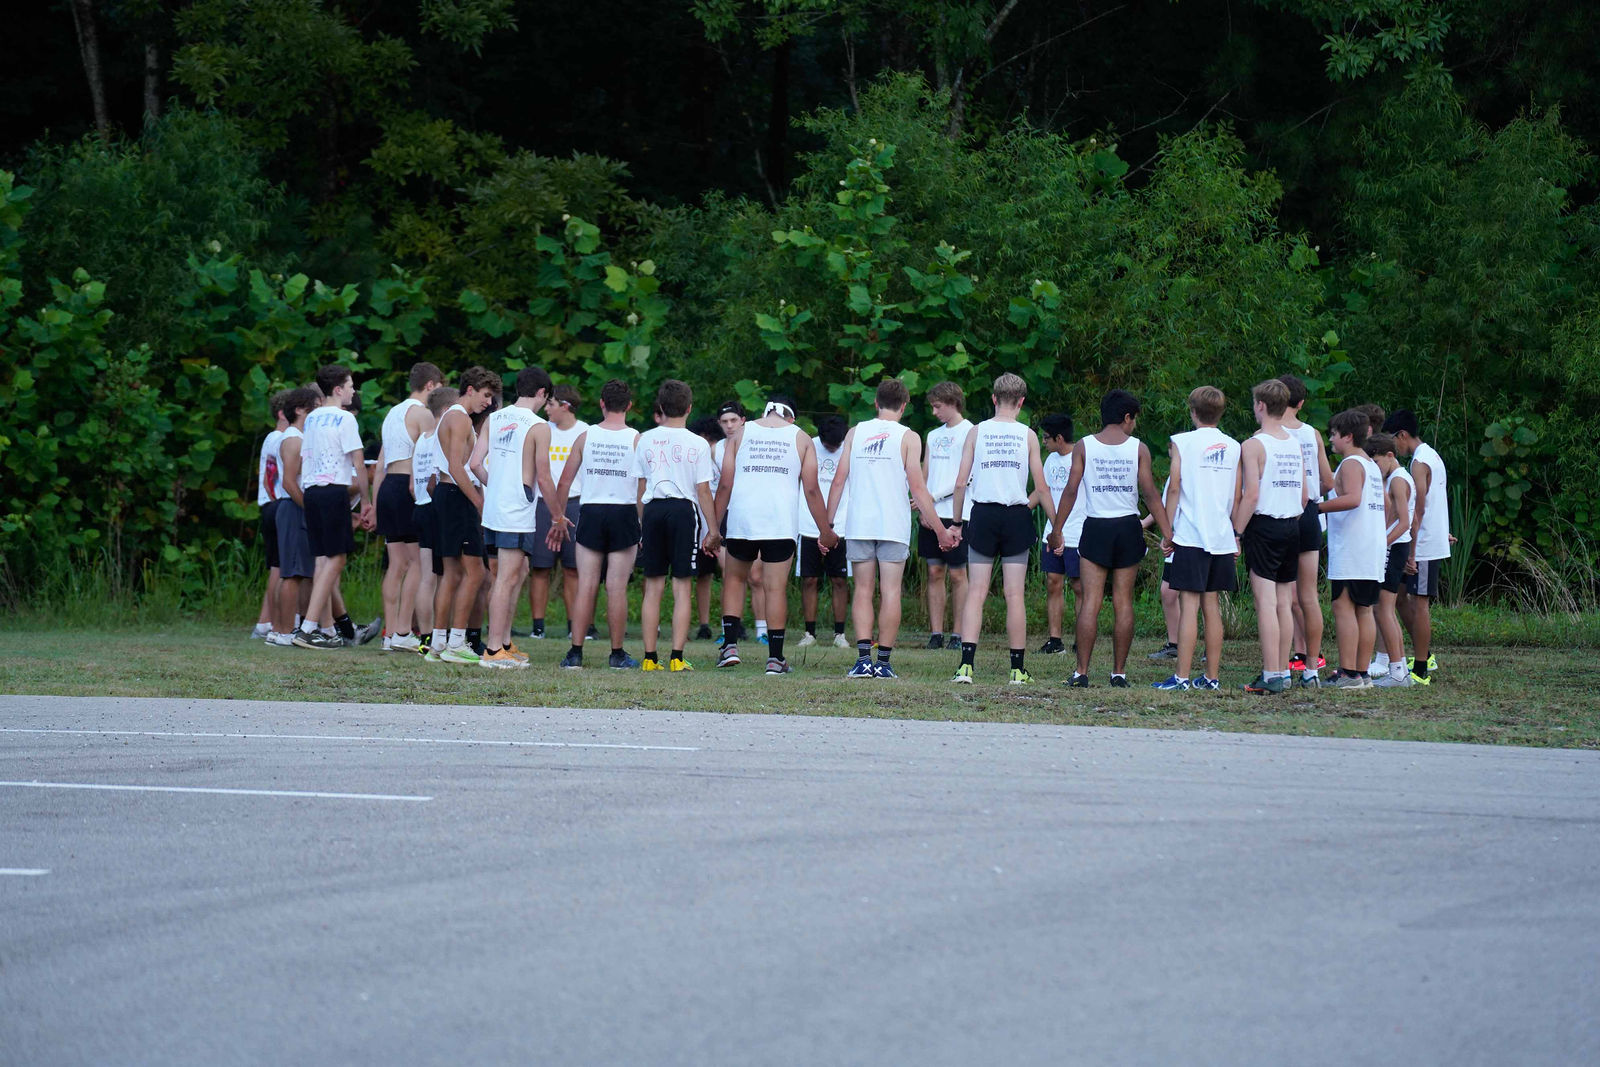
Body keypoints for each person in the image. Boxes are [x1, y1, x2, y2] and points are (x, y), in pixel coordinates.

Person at [827, 378, 956, 680]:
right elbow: (919, 488)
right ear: (904, 406)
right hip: (893, 525)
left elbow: (838, 480)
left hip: (859, 523)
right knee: (890, 592)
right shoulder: (909, 437)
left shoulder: (855, 433)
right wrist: (940, 530)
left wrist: (827, 526)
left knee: (861, 590)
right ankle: (883, 662)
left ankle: (862, 660)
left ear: (876, 403)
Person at [1048, 389, 1171, 687]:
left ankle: (1082, 672)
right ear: (1127, 417)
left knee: (1090, 601)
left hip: (1096, 527)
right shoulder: (1139, 448)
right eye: (1134, 420)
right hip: (1128, 527)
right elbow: (1150, 493)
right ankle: (1119, 673)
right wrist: (1169, 533)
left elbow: (1071, 490)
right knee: (1123, 601)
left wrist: (1057, 529)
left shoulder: (1085, 446)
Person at [713, 396, 838, 674]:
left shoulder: (741, 433)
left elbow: (724, 485)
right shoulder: (802, 438)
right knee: (774, 588)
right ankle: (775, 658)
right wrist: (825, 531)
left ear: (765, 412)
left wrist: (713, 528)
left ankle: (730, 647)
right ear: (791, 418)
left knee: (734, 579)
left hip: (742, 520)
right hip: (780, 523)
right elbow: (812, 490)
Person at [950, 373, 1053, 685]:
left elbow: (959, 483)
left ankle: (966, 667)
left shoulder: (976, 432)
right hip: (1015, 516)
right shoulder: (1028, 435)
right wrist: (1057, 526)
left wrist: (956, 523)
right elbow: (1043, 488)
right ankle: (1017, 670)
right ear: (1021, 402)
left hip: (982, 514)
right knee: (1014, 595)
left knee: (976, 593)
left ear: (994, 399)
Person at [546, 378, 642, 670]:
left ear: (602, 403)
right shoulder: (637, 439)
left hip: (590, 511)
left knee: (586, 584)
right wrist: (639, 522)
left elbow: (564, 481)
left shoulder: (585, 437)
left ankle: (575, 653)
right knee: (616, 587)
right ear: (629, 406)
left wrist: (558, 517)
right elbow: (641, 487)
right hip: (624, 512)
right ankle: (616, 654)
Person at [1153, 386, 1240, 691]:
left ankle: (1182, 677)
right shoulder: (1234, 446)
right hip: (1221, 534)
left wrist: (1167, 531)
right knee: (1212, 605)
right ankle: (1212, 677)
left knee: (1189, 606)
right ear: (1220, 412)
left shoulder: (1182, 442)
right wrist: (1235, 533)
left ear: (1192, 411)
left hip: (1191, 535)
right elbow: (1236, 494)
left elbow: (1174, 487)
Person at [632, 380, 720, 671]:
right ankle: (676, 658)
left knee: (653, 586)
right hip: (683, 511)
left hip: (654, 509)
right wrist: (713, 529)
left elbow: (641, 486)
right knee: (682, 586)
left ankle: (648, 658)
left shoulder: (645, 439)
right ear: (689, 408)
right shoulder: (697, 443)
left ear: (660, 408)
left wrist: (641, 524)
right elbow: (703, 491)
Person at [478, 367, 560, 669]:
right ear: (542, 393)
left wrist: (496, 485)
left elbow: (475, 463)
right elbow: (544, 476)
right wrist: (558, 515)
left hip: (495, 509)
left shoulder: (494, 418)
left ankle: (505, 642)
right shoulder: (538, 426)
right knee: (506, 578)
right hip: (516, 510)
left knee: (518, 571)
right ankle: (492, 650)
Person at [1232, 379, 1309, 694]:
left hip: (1264, 525)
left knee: (1265, 602)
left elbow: (1250, 496)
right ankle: (1283, 673)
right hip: (1293, 523)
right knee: (1282, 601)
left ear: (1260, 406)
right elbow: (1304, 495)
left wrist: (1236, 533)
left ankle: (1270, 674)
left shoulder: (1253, 444)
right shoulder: (1294, 441)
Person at [293, 365, 375, 650]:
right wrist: (365, 500)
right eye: (351, 385)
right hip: (333, 491)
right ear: (338, 389)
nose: (354, 390)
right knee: (336, 559)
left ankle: (327, 628)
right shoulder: (344, 418)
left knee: (322, 560)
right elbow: (357, 461)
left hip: (312, 491)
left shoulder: (312, 418)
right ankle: (307, 628)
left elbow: (307, 457)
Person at [425, 367, 502, 663]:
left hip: (448, 496)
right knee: (476, 573)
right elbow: (456, 467)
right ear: (470, 389)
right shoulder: (457, 417)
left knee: (452, 574)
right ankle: (457, 641)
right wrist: (480, 504)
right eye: (485, 395)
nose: (488, 402)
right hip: (457, 496)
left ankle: (438, 644)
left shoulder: (456, 418)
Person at [371, 362, 443, 651]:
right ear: (430, 385)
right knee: (415, 563)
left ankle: (390, 633)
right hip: (406, 487)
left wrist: (374, 503)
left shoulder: (392, 413)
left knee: (396, 564)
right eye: (438, 388)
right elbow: (431, 453)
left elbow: (378, 464)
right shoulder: (423, 413)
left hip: (388, 486)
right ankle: (402, 631)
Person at [1320, 409, 1387, 689]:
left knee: (1343, 605)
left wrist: (1316, 507)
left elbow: (1353, 499)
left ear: (1348, 436)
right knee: (1364, 608)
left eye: (1334, 435)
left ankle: (1348, 672)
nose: (1332, 440)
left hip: (1352, 547)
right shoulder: (1371, 465)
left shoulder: (1349, 464)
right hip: (1371, 546)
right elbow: (1382, 500)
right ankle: (1361, 673)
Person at [1384, 409, 1449, 685]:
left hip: (1421, 543)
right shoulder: (1430, 455)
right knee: (1397, 597)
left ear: (1402, 435)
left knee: (1419, 603)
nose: (1392, 449)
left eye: (1392, 441)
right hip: (1423, 538)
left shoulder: (1419, 463)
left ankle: (1421, 668)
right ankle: (1424, 653)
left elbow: (1419, 509)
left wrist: (1412, 552)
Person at [1279, 375, 1335, 681]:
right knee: (1309, 596)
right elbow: (1328, 481)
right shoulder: (1313, 433)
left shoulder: (1267, 433)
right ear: (1301, 403)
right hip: (1310, 512)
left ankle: (1280, 665)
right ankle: (1312, 666)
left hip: (1280, 512)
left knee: (1283, 596)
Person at [527, 383, 588, 641]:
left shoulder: (586, 432)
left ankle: (575, 625)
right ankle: (538, 626)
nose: (547, 409)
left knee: (572, 569)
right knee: (541, 567)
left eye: (550, 404)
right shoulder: (542, 430)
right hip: (543, 504)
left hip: (576, 504)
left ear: (565, 406)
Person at [921, 382, 972, 650]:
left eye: (937, 406)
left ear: (953, 403)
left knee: (957, 574)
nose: (934, 412)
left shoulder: (970, 432)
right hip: (931, 513)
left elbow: (968, 477)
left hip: (958, 513)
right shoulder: (932, 435)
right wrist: (924, 505)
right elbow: (925, 473)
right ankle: (936, 632)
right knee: (934, 571)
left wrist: (935, 497)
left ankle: (959, 632)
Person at [269, 387, 320, 646]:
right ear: (299, 409)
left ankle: (280, 629)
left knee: (293, 572)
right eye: (315, 405)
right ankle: (285, 630)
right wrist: (310, 510)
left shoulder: (298, 437)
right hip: (292, 507)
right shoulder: (293, 439)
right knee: (293, 573)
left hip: (292, 507)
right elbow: (289, 482)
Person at [1364, 432, 1415, 687]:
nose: (1373, 468)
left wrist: (1379, 544)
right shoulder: (1395, 477)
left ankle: (1398, 672)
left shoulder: (1397, 480)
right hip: (1395, 546)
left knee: (1383, 608)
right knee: (1382, 608)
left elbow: (1404, 522)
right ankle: (1399, 668)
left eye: (1375, 462)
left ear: (1390, 456)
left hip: (1394, 547)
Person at [712, 401, 764, 644]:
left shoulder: (755, 444)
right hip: (725, 517)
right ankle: (730, 630)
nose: (729, 425)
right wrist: (712, 524)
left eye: (734, 420)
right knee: (731, 574)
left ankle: (762, 630)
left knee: (756, 576)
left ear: (743, 420)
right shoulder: (715, 450)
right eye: (724, 421)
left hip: (751, 515)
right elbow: (716, 487)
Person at [798, 414, 851, 649]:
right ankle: (809, 633)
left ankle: (840, 634)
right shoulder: (808, 445)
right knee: (810, 579)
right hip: (808, 525)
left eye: (837, 445)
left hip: (841, 525)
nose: (833, 449)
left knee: (839, 580)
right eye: (830, 445)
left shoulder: (849, 449)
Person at [410, 386, 455, 655]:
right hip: (437, 506)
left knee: (427, 577)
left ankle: (425, 637)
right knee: (446, 575)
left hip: (420, 508)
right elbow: (432, 482)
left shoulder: (422, 439)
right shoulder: (442, 436)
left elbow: (413, 486)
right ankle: (441, 633)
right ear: (448, 411)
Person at [1037, 413, 1084, 656]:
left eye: (1046, 438)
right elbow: (1041, 490)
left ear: (1059, 437)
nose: (1043, 442)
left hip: (1077, 533)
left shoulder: (1081, 457)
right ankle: (1055, 640)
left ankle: (1082, 638)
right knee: (1053, 583)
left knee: (1079, 586)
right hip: (1052, 532)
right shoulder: (1051, 460)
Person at [252, 390, 291, 639]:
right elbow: (274, 479)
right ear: (281, 413)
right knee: (281, 568)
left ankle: (265, 621)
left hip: (268, 504)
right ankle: (274, 624)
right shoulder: (281, 439)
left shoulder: (270, 438)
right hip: (277, 503)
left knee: (276, 566)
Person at [689, 416, 725, 641]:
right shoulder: (694, 456)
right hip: (700, 520)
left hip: (725, 517)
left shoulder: (723, 454)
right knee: (704, 574)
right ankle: (704, 624)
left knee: (730, 571)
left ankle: (730, 622)